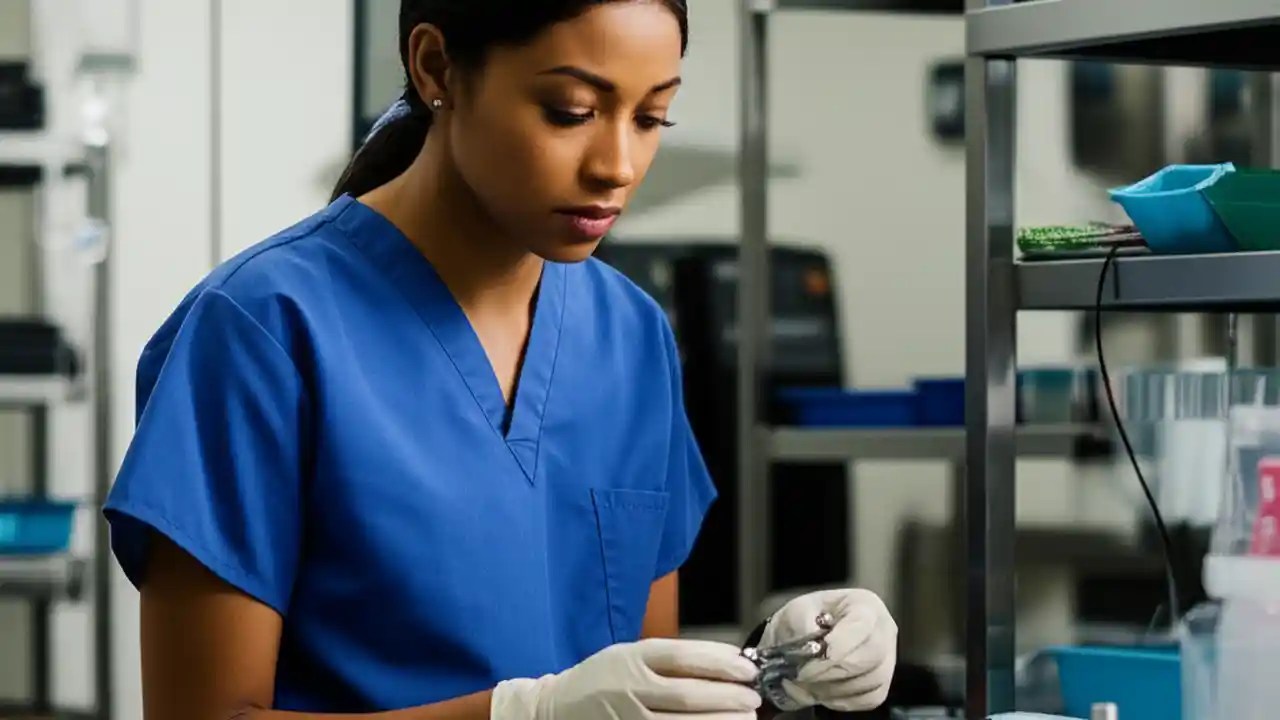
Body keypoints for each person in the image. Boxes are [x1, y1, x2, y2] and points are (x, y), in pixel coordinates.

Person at [103, 2, 897, 719]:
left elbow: (646, 687)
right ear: (436, 68)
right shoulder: (262, 330)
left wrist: (776, 665)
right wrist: (521, 716)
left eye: (654, 118)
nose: (617, 165)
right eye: (570, 111)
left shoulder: (631, 335)